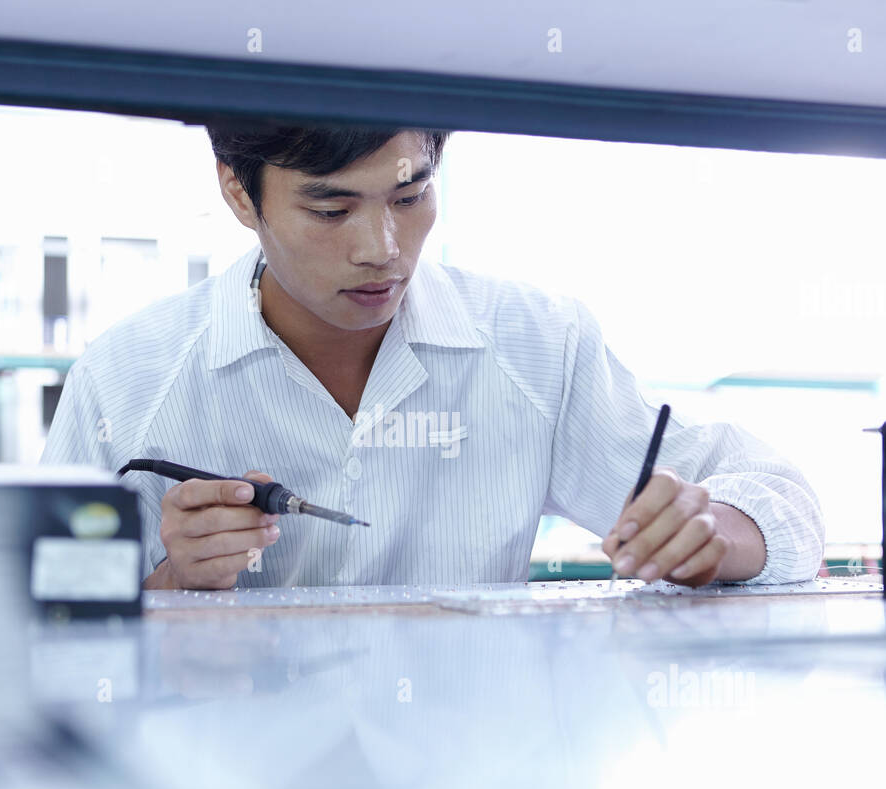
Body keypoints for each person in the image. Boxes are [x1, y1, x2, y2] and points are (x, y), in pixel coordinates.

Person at [42, 122, 824, 590]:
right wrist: (176, 581)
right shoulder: (126, 378)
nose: (381, 250)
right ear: (239, 194)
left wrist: (713, 531)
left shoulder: (536, 344)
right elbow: (41, 639)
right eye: (331, 206)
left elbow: (785, 504)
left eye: (410, 196)